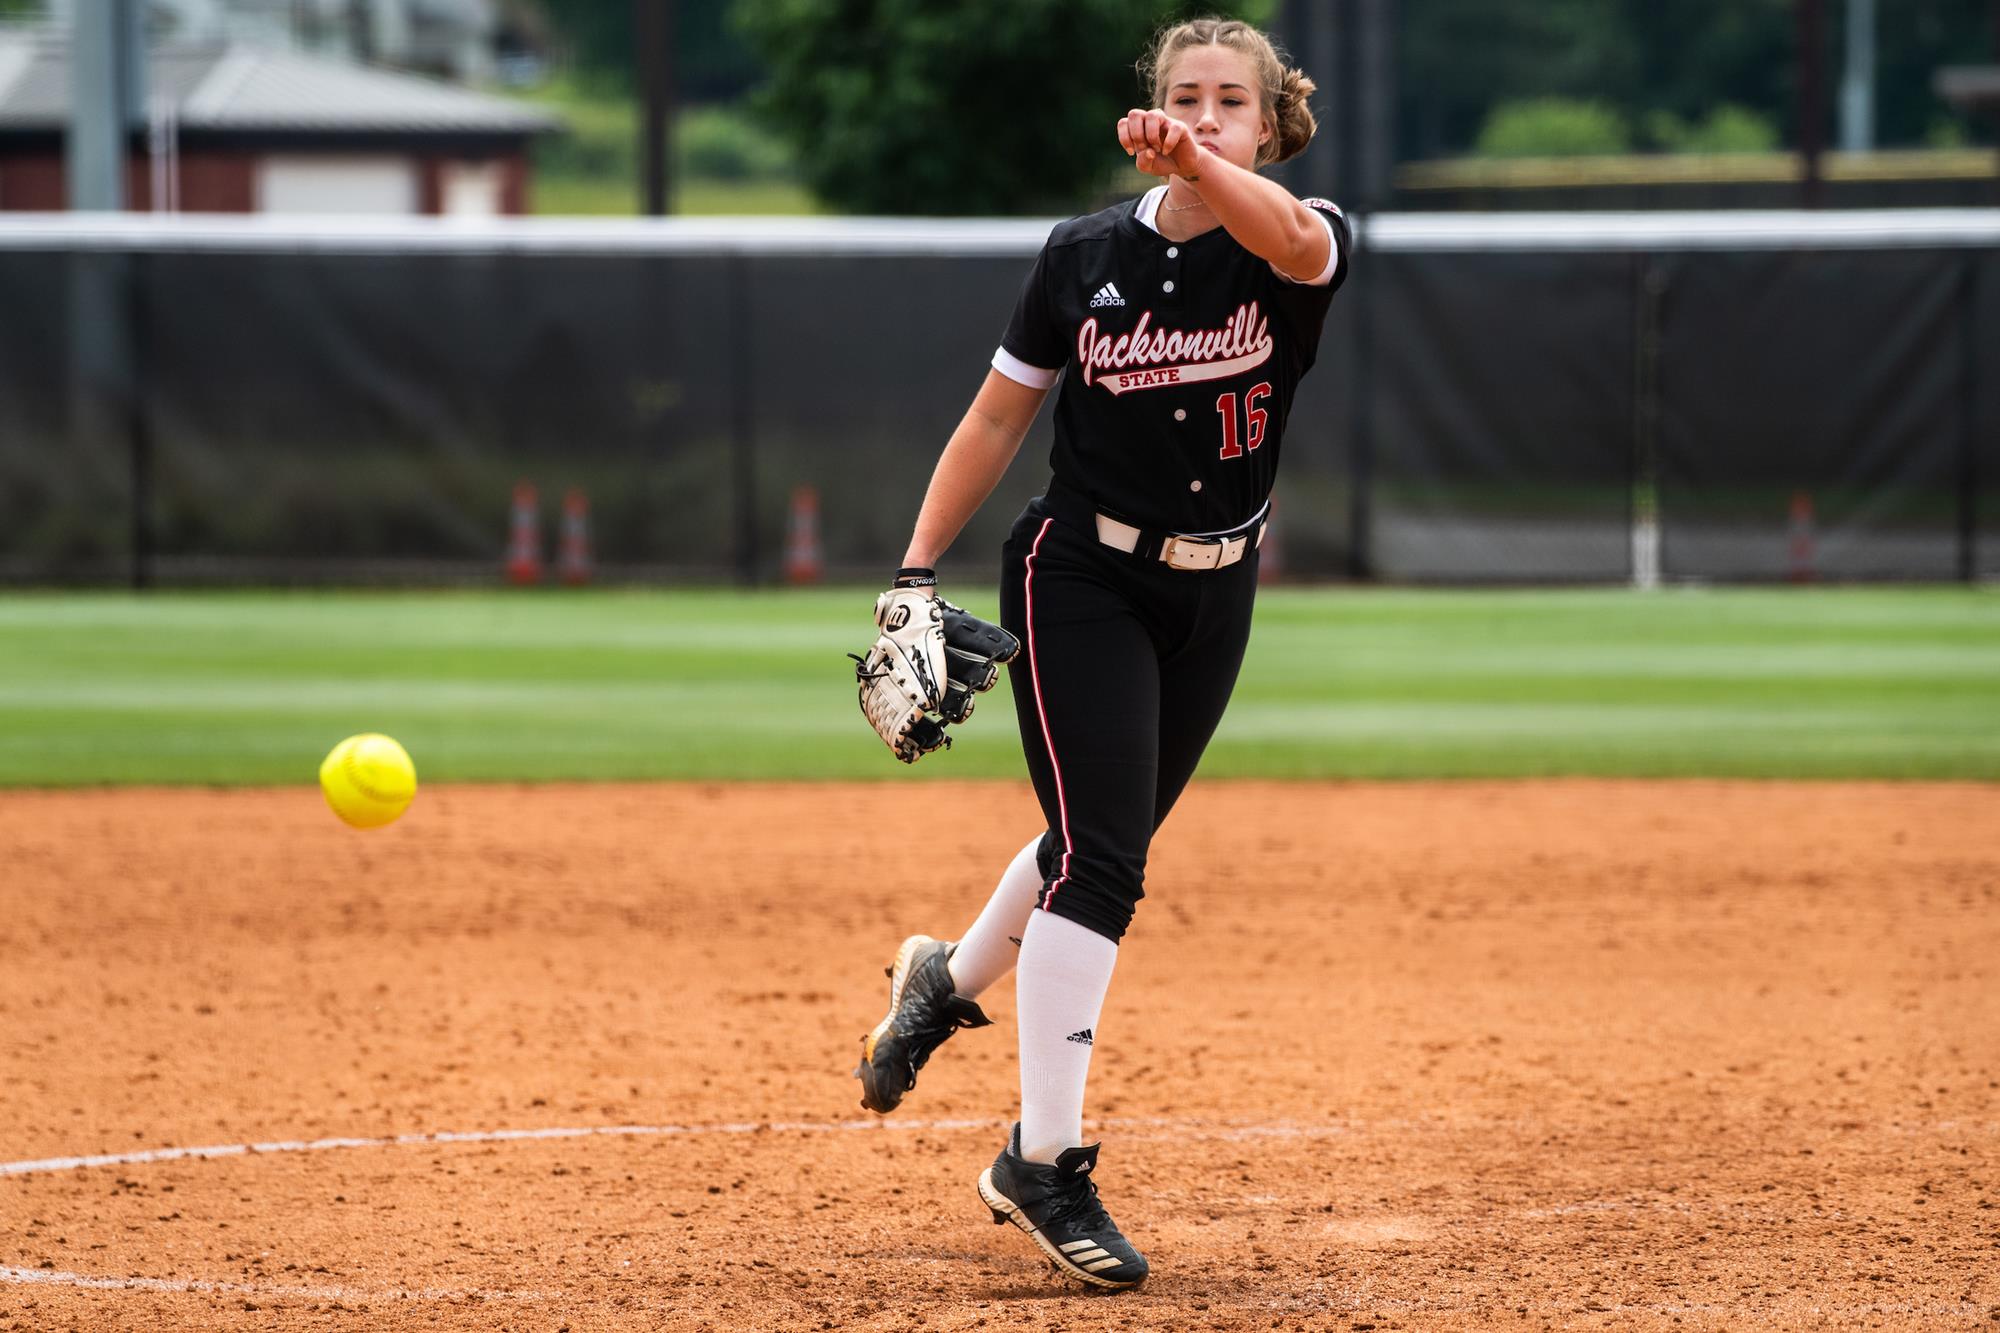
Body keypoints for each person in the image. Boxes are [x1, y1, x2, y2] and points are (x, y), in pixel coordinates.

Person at [853, 16, 1349, 1291]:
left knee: (1096, 833)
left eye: (1228, 103)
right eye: (1180, 97)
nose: (1199, 115)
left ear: (1268, 128)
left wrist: (1202, 164)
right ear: (1145, 112)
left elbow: (1289, 238)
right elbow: (996, 413)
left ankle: (939, 984)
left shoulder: (1299, 242)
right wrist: (912, 571)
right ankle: (1043, 1159)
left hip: (1216, 587)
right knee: (1106, 860)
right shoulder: (1082, 258)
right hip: (1077, 572)